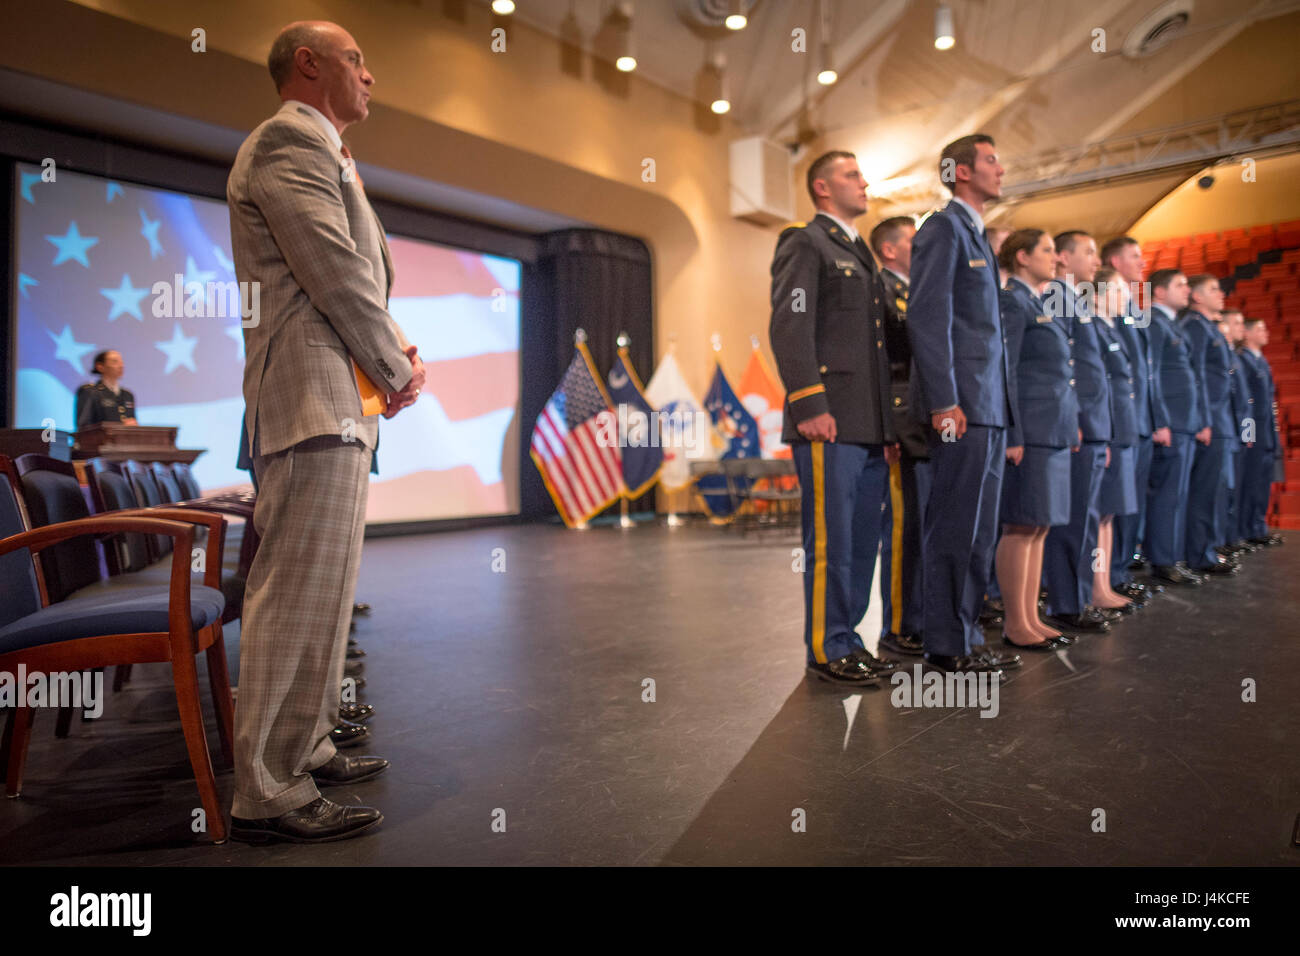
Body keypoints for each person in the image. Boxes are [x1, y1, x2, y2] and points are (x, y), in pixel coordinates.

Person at [226, 20, 425, 844]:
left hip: (336, 398)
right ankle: (267, 791)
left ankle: (303, 746)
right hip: (313, 398)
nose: (370, 76)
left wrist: (388, 353)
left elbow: (350, 276)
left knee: (326, 599)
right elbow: (334, 270)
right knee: (292, 598)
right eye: (355, 60)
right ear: (307, 64)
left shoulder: (325, 150)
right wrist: (397, 365)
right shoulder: (285, 142)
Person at [768, 150, 900, 686]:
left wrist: (887, 429)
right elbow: (790, 325)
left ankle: (849, 638)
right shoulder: (805, 241)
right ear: (823, 187)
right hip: (829, 419)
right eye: (852, 174)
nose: (864, 181)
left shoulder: (860, 253)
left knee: (863, 537)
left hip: (867, 425)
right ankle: (827, 648)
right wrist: (810, 403)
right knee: (831, 539)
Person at [906, 133, 1018, 675]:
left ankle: (968, 634)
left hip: (989, 409)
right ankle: (946, 645)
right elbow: (928, 318)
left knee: (980, 529)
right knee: (954, 523)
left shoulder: (978, 238)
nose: (1001, 168)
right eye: (991, 160)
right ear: (963, 172)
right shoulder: (942, 229)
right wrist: (945, 401)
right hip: (961, 409)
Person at [994, 229, 1077, 650]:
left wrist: (1071, 423)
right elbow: (1005, 368)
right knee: (1021, 524)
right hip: (1030, 429)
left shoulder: (1040, 302)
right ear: (1022, 256)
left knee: (1040, 526)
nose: (1055, 259)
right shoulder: (1012, 300)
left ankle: (1031, 615)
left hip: (1053, 427)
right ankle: (1015, 622)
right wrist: (1012, 429)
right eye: (1046, 250)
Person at [1040, 231, 1115, 634]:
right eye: (1088, 251)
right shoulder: (1055, 294)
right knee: (1073, 520)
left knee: (1085, 517)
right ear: (1064, 258)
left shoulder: (1074, 297)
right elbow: (1060, 365)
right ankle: (1067, 602)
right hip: (1078, 422)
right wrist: (1077, 421)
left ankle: (1079, 596)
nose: (1095, 258)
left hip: (1092, 421)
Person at [871, 216, 929, 658]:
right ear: (890, 250)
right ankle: (897, 625)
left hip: (922, 417)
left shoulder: (916, 289)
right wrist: (886, 427)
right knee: (903, 527)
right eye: (912, 239)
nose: (921, 245)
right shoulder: (882, 289)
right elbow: (884, 362)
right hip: (900, 417)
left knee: (924, 524)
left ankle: (921, 615)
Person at [1099, 237, 1160, 605]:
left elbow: (1143, 374)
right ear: (1115, 262)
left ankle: (1119, 570)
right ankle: (1111, 576)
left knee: (1126, 505)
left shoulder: (1130, 313)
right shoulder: (1105, 315)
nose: (1142, 263)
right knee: (1113, 508)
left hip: (1135, 420)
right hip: (1117, 423)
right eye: (1134, 257)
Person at [1144, 269, 1204, 585]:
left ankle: (1172, 556)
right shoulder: (1154, 322)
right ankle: (1162, 559)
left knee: (1177, 494)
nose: (1187, 290)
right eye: (1179, 285)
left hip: (1184, 422)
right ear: (1159, 293)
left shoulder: (1172, 323)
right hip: (1172, 422)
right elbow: (1150, 374)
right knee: (1167, 495)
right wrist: (1160, 420)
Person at [1090, 268, 1142, 614]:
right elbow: (1098, 386)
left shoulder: (1112, 328)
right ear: (1096, 294)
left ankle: (1104, 582)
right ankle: (1095, 586)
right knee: (1098, 516)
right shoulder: (1092, 327)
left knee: (1108, 515)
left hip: (1122, 429)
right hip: (1108, 430)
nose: (1126, 296)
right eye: (1118, 289)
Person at [1180, 275, 1239, 576]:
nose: (1221, 294)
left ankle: (1206, 548)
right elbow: (1198, 376)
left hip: (1219, 419)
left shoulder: (1207, 326)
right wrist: (1203, 419)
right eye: (1214, 289)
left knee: (1213, 490)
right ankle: (1199, 553)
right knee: (1203, 491)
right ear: (1197, 296)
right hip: (1210, 420)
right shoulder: (1194, 326)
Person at [1237, 318, 1284, 547]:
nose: (1265, 332)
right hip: (1253, 434)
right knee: (1251, 484)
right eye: (1259, 328)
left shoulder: (1261, 361)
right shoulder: (1244, 360)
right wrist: (1248, 436)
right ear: (1246, 334)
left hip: (1266, 432)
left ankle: (1258, 527)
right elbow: (1246, 403)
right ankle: (1247, 529)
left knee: (1263, 484)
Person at [1217, 309, 1254, 557]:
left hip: (1236, 430)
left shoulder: (1234, 356)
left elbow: (1245, 401)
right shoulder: (1231, 356)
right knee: (1225, 489)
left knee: (1234, 488)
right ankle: (1224, 539)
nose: (1240, 328)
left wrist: (1247, 433)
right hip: (1227, 429)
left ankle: (1231, 537)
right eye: (1235, 323)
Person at [75, 350, 138, 428]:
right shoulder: (90, 392)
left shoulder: (128, 395)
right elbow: (83, 426)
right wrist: (120, 426)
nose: (121, 365)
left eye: (121, 361)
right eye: (115, 361)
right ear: (100, 367)